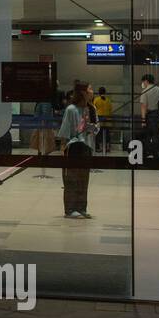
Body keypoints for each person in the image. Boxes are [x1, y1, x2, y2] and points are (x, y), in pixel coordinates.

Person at [58, 82, 97, 219]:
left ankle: (81, 208)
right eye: (90, 89)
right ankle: (70, 209)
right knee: (71, 179)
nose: (92, 91)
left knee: (83, 179)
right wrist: (63, 148)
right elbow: (65, 131)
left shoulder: (91, 108)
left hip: (86, 146)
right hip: (73, 146)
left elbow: (96, 127)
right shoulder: (71, 109)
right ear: (83, 92)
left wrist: (92, 127)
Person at [139, 73, 159, 161]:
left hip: (149, 116)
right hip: (158, 115)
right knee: (157, 135)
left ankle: (148, 153)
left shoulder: (145, 91)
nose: (143, 84)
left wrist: (143, 120)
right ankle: (158, 154)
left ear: (146, 81)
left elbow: (143, 106)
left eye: (143, 82)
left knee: (148, 136)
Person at [92, 86, 113, 154]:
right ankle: (107, 147)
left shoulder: (96, 99)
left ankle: (98, 148)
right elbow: (110, 110)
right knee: (107, 134)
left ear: (99, 92)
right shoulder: (108, 100)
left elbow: (93, 109)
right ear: (105, 92)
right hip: (107, 119)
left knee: (98, 134)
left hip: (99, 119)